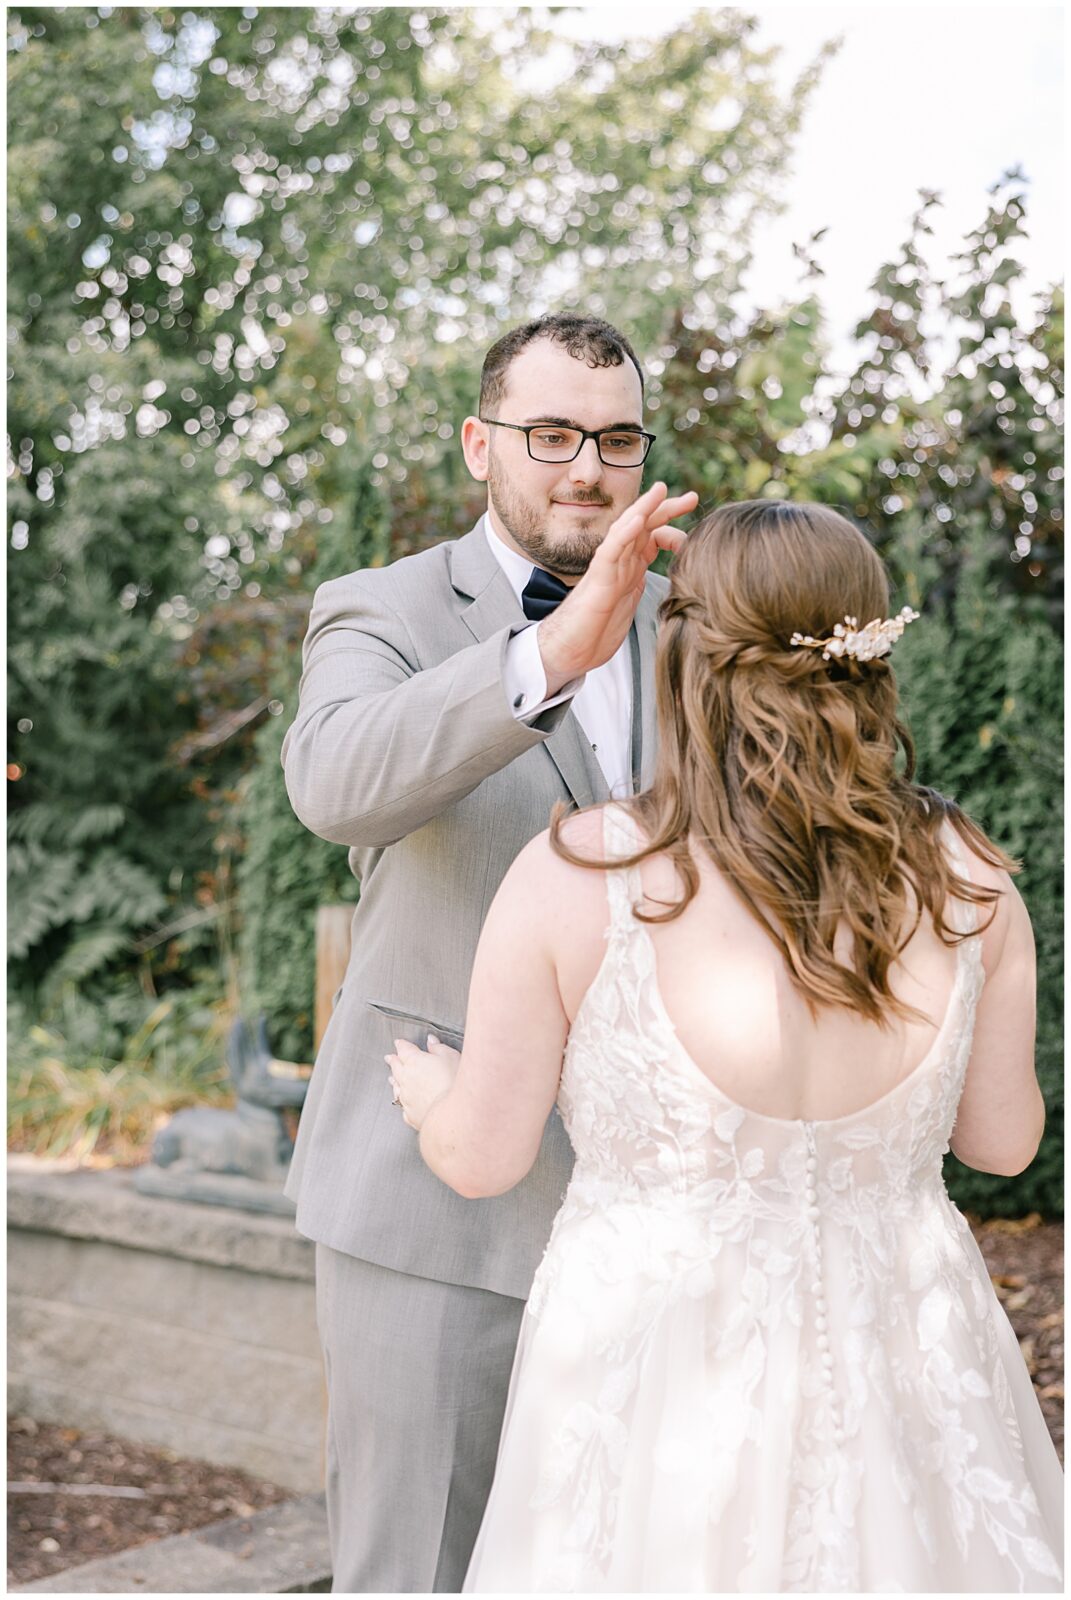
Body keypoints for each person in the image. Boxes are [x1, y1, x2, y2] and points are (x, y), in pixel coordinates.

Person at [391, 499, 1064, 1593]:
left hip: (655, 1378)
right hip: (909, 1369)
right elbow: (1002, 1141)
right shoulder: (972, 879)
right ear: (866, 655)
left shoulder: (582, 871)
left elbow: (482, 1155)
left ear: (684, 656)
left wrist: (433, 1094)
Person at [281, 311, 697, 1592]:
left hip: (664, 1213)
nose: (588, 468)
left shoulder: (703, 627)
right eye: (553, 434)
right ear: (481, 443)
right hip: (437, 1209)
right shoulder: (382, 606)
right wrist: (551, 656)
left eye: (616, 439)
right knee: (420, 1569)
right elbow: (337, 782)